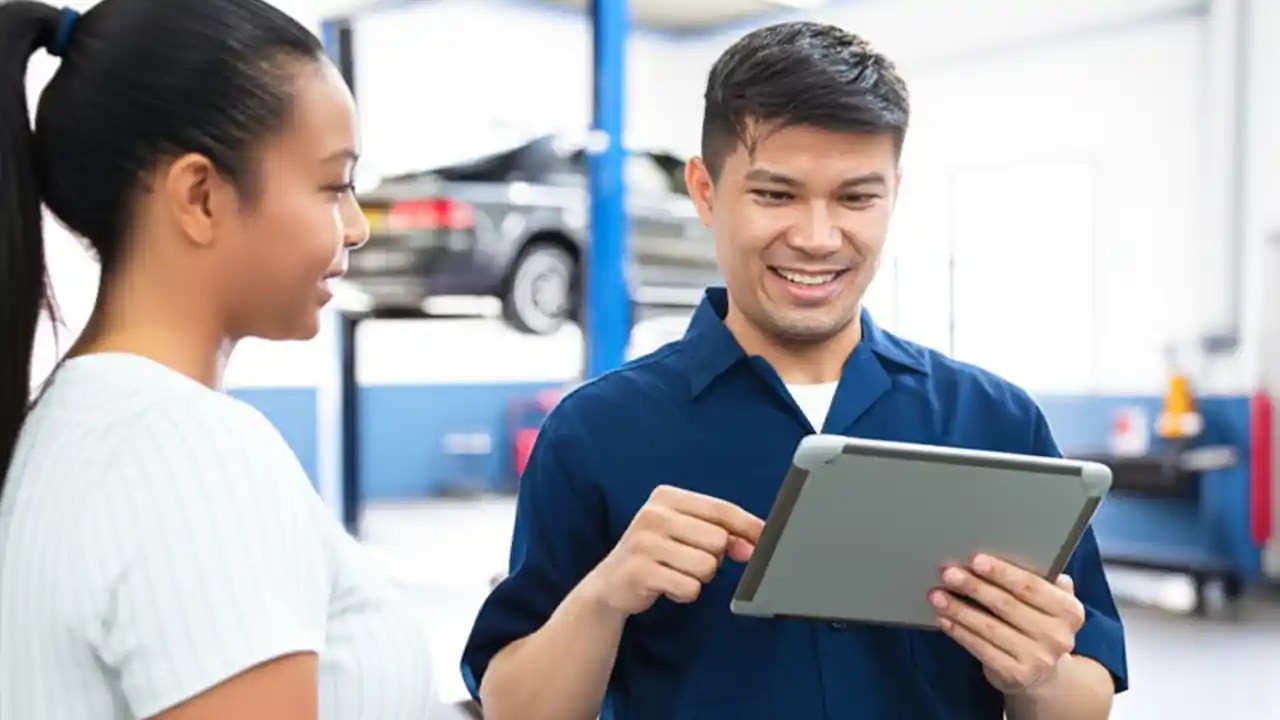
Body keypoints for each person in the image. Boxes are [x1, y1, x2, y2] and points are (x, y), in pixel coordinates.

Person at [461, 20, 1127, 720]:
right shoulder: (596, 432)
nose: (816, 238)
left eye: (856, 198)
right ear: (705, 190)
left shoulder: (994, 422)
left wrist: (1038, 675)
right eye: (775, 195)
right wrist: (605, 596)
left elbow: (1085, 697)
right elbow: (516, 708)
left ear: (893, 194)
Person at [0, 1, 435, 718]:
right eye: (333, 185)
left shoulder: (65, 428)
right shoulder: (189, 452)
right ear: (200, 195)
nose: (356, 228)